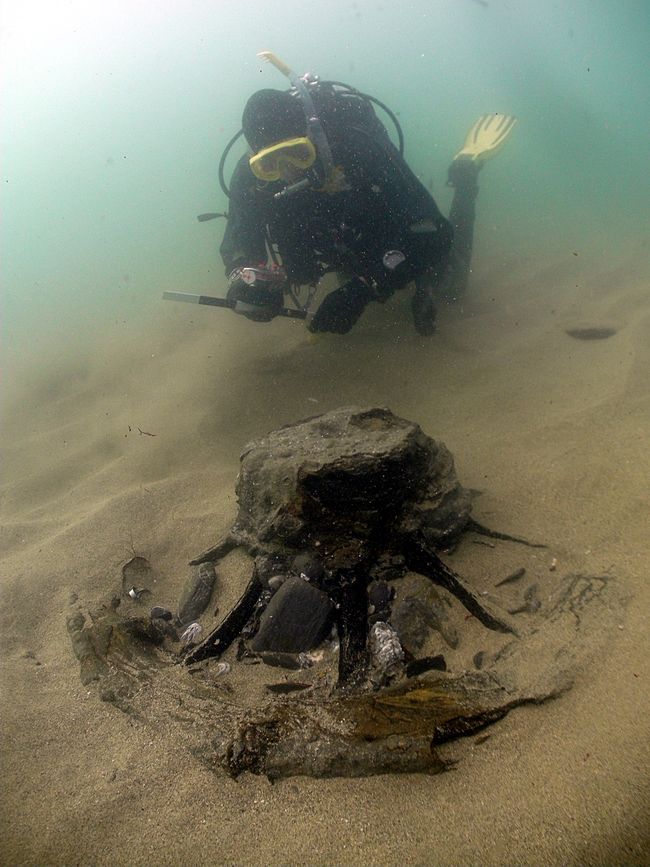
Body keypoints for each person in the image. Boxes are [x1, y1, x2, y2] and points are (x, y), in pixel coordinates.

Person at [220, 59, 516, 336]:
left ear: (314, 138)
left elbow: (433, 231)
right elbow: (238, 246)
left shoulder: (357, 147)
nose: (289, 172)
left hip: (386, 230)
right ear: (255, 159)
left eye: (298, 154)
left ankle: (466, 172)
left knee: (450, 287)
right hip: (340, 242)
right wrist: (247, 285)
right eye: (270, 164)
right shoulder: (250, 177)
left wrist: (365, 287)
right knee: (351, 279)